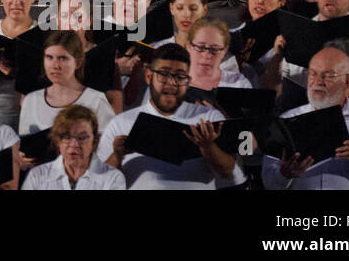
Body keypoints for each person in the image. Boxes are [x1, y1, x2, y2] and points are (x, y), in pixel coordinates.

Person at [98, 43, 243, 188]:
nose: (172, 83)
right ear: (149, 76)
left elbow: (228, 172)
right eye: (163, 74)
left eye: (180, 77)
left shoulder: (209, 118)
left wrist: (207, 147)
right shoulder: (121, 123)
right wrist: (117, 155)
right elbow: (99, 182)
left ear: (188, 82)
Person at [263, 41, 349, 190]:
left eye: (328, 75)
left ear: (347, 81)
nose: (318, 82)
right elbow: (269, 184)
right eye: (313, 74)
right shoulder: (285, 121)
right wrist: (285, 174)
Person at [19, 30, 116, 136]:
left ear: (78, 63)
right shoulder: (31, 100)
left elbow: (108, 145)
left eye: (62, 58)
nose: (55, 65)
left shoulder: (96, 100)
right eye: (49, 57)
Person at [22, 104, 126, 190]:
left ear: (94, 141)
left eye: (81, 138)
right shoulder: (37, 176)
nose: (74, 145)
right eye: (67, 137)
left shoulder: (112, 177)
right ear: (58, 141)